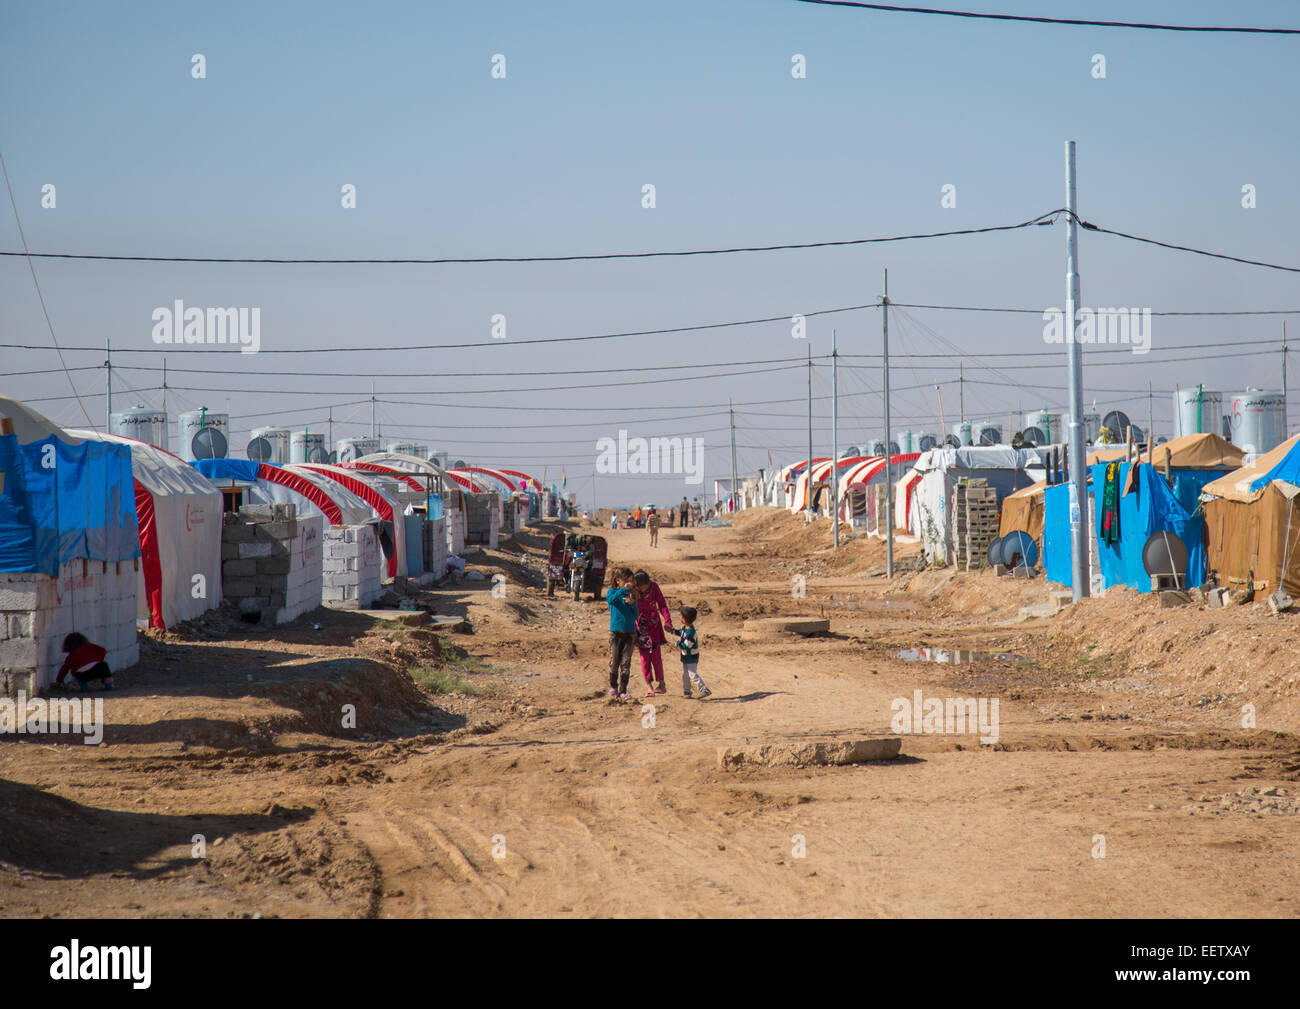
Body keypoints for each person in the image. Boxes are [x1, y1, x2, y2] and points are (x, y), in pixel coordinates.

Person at [632, 569, 672, 696]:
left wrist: (667, 621)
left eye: (645, 587)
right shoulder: (632, 590)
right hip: (640, 627)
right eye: (641, 588)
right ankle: (648, 685)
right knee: (644, 658)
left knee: (656, 657)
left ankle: (661, 683)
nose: (644, 590)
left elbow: (662, 605)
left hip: (654, 625)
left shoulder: (654, 587)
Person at [605, 567, 637, 700]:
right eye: (626, 581)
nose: (629, 584)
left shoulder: (630, 595)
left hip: (630, 633)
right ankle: (613, 687)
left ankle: (623, 690)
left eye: (630, 581)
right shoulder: (612, 592)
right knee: (614, 662)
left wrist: (632, 604)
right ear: (618, 581)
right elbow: (610, 600)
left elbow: (636, 615)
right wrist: (623, 590)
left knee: (626, 663)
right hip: (616, 632)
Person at [667, 605, 710, 699]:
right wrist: (672, 631)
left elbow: (687, 646)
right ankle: (687, 691)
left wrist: (677, 644)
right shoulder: (685, 629)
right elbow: (680, 633)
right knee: (685, 674)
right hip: (686, 657)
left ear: (685, 619)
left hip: (692, 657)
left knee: (692, 674)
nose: (680, 617)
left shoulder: (691, 632)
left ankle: (704, 689)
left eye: (681, 616)